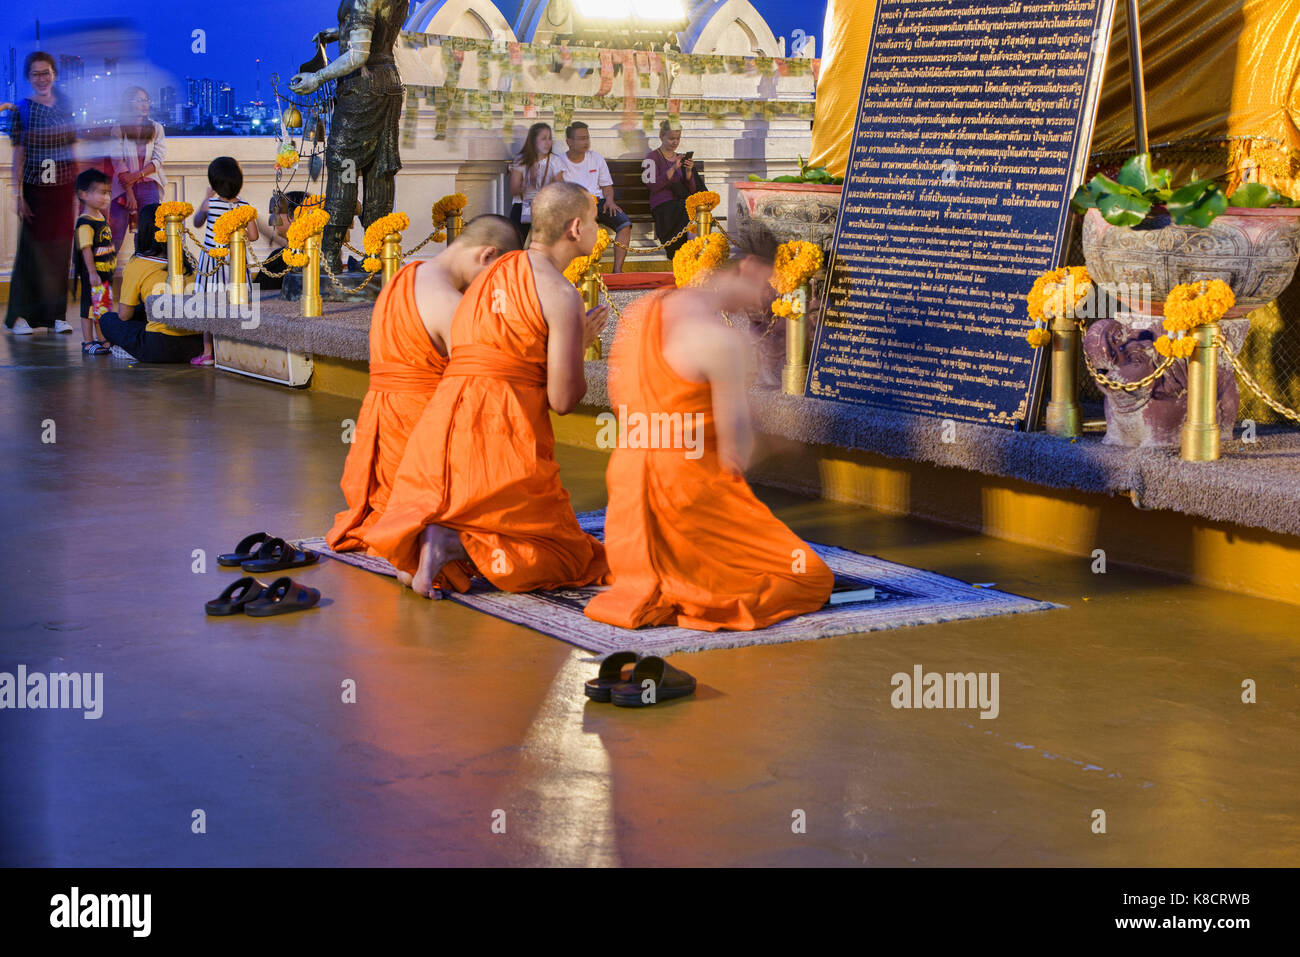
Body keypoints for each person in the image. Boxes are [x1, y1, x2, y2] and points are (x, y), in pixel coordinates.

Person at [365, 181, 610, 599]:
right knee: (570, 556)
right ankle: (453, 544)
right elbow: (563, 401)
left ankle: (437, 543)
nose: (597, 229)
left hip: (444, 427)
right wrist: (577, 345)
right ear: (574, 228)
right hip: (504, 433)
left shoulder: (486, 275)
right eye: (593, 221)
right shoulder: (559, 291)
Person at [584, 258, 835, 631]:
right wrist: (779, 439)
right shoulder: (722, 340)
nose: (766, 302)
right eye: (766, 288)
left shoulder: (643, 308)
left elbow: (625, 400)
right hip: (688, 487)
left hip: (626, 490)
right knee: (810, 576)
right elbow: (738, 455)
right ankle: (697, 587)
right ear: (747, 268)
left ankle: (670, 574)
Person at [326, 214, 522, 555]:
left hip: (381, 427)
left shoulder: (405, 275)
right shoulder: (452, 304)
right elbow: (485, 387)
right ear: (487, 256)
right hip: (421, 436)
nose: (491, 288)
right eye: (495, 278)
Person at [6, 52, 77, 336]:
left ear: (54, 74)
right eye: (35, 74)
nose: (41, 79)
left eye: (46, 72)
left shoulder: (65, 106)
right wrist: (18, 194)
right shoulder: (22, 109)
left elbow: (71, 149)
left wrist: (76, 189)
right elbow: (19, 156)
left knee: (60, 253)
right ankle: (20, 316)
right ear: (28, 78)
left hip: (62, 190)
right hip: (35, 191)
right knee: (30, 254)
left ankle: (56, 316)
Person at [98, 202, 204, 363]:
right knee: (144, 307)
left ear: (144, 231)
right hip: (197, 344)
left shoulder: (138, 263)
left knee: (107, 320)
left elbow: (124, 316)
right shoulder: (189, 261)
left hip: (160, 347)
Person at [192, 156, 259, 366]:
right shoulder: (245, 207)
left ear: (213, 183)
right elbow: (254, 236)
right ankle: (235, 349)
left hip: (211, 261)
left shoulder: (210, 204)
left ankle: (207, 351)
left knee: (208, 305)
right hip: (236, 262)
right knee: (237, 304)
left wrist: (205, 197)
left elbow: (196, 222)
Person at [553, 121, 632, 273]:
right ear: (569, 142)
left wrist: (609, 201)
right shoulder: (559, 162)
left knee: (625, 225)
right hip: (574, 205)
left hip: (599, 202)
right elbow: (559, 190)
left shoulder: (596, 158)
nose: (586, 142)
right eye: (581, 138)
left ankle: (617, 271)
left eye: (587, 138)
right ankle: (576, 270)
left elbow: (606, 186)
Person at [107, 86, 167, 254]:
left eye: (146, 100)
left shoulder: (156, 128)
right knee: (115, 235)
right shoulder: (119, 128)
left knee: (148, 234)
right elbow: (118, 161)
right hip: (123, 189)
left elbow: (158, 159)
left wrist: (138, 175)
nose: (144, 104)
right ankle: (105, 276)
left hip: (149, 186)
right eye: (139, 100)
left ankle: (141, 272)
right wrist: (129, 191)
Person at [646, 120, 706, 263]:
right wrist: (672, 169)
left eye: (678, 139)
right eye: (671, 139)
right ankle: (687, 254)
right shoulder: (652, 157)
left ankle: (694, 253)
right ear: (661, 136)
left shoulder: (680, 157)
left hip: (682, 203)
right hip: (663, 206)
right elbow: (652, 186)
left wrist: (689, 171)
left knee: (694, 211)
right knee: (687, 211)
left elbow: (692, 189)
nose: (675, 142)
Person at [73, 169, 116, 355]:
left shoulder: (101, 217)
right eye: (100, 192)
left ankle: (103, 339)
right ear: (83, 194)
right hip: (94, 275)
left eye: (107, 192)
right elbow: (86, 248)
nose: (105, 197)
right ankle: (88, 341)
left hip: (105, 274)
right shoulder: (85, 222)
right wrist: (91, 272)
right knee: (89, 308)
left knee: (102, 307)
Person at [507, 122, 563, 245]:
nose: (548, 142)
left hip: (545, 206)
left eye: (549, 138)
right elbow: (514, 189)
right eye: (543, 139)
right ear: (533, 141)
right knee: (515, 241)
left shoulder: (555, 161)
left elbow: (560, 189)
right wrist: (528, 183)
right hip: (523, 206)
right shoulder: (521, 160)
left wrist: (549, 186)